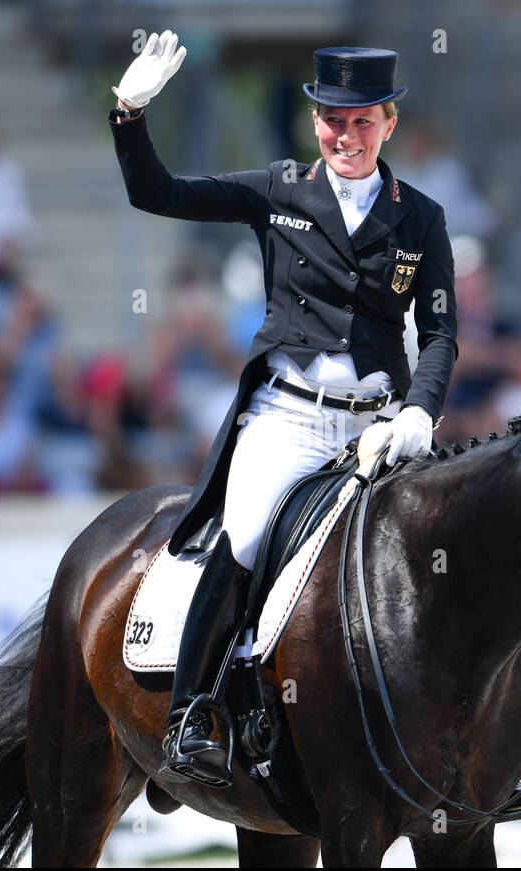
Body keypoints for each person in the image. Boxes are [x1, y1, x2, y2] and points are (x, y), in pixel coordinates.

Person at [110, 33, 458, 786]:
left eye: (364, 121)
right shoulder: (278, 191)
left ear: (389, 124)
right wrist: (129, 113)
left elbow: (438, 334)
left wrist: (421, 412)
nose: (347, 136)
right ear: (314, 125)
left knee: (446, 554)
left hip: (377, 425)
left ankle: (469, 741)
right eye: (334, 121)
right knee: (245, 540)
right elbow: (158, 192)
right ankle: (192, 713)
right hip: (291, 419)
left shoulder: (421, 218)